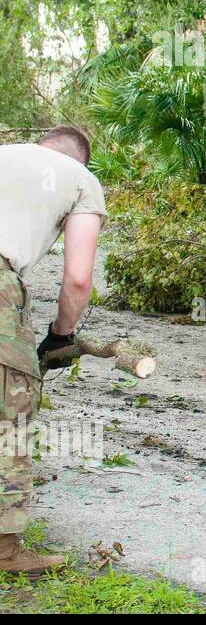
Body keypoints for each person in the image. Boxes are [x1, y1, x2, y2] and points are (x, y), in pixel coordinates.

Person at [0, 125, 106, 574]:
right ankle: (5, 551)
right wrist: (61, 335)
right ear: (80, 160)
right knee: (12, 417)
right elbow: (79, 279)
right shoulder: (81, 180)